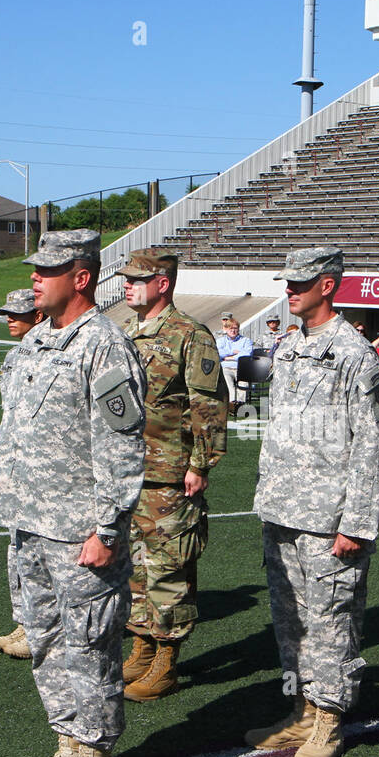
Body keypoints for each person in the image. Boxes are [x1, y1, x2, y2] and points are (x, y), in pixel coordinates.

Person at [0, 229, 147, 757]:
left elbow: (123, 445)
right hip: (28, 520)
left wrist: (108, 528)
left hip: (79, 529)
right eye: (35, 269)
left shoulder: (104, 345)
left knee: (90, 642)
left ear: (81, 279)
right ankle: (67, 742)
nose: (34, 278)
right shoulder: (32, 345)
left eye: (47, 271)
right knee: (46, 637)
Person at [246, 246, 379, 757]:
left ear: (328, 285)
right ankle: (301, 711)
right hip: (283, 508)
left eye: (298, 284)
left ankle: (329, 720)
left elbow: (371, 444)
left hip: (330, 517)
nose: (288, 291)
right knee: (291, 619)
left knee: (332, 620)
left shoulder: (354, 353)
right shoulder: (287, 349)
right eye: (286, 283)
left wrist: (357, 522)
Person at [116, 248, 228, 702]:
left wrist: (201, 464)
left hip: (170, 472)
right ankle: (142, 646)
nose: (127, 285)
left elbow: (209, 404)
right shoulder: (127, 332)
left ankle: (167, 660)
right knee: (136, 567)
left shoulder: (189, 334)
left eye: (138, 279)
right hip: (129, 471)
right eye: (125, 278)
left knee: (169, 566)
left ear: (163, 283)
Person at [0, 287, 47, 660]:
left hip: (43, 471)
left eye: (17, 314)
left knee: (38, 554)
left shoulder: (51, 355)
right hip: (17, 467)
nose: (10, 319)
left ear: (37, 315)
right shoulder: (16, 355)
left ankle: (40, 628)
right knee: (18, 549)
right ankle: (25, 620)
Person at [216, 315, 253, 414]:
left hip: (241, 367)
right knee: (228, 384)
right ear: (226, 329)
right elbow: (218, 353)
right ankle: (232, 405)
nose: (233, 330)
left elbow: (247, 354)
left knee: (243, 383)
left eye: (235, 328)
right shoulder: (220, 341)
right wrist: (233, 351)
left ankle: (240, 405)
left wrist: (230, 357)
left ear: (238, 329)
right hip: (226, 368)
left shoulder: (245, 340)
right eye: (230, 328)